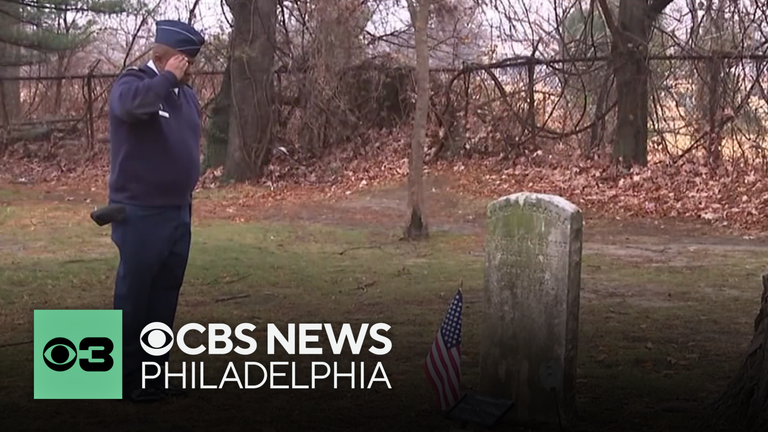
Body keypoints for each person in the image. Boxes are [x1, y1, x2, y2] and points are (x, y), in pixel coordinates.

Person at [107, 19, 205, 403]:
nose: (189, 70)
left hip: (178, 212)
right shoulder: (131, 85)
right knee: (135, 297)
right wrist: (165, 79)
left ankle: (152, 377)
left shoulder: (186, 95)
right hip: (140, 213)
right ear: (166, 57)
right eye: (184, 62)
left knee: (164, 297)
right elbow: (133, 109)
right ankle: (123, 378)